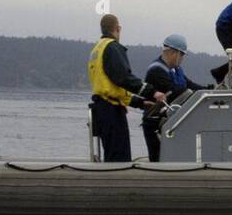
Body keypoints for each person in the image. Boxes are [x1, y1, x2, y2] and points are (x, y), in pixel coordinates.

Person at [87, 14, 167, 162]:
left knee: (111, 155)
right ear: (118, 29)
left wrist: (140, 102)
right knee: (120, 157)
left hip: (102, 107)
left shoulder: (97, 50)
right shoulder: (113, 48)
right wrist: (153, 92)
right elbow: (124, 78)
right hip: (112, 111)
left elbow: (112, 87)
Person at [141, 34, 207, 162]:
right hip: (156, 125)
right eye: (181, 55)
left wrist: (209, 89)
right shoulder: (156, 71)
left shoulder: (175, 70)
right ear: (172, 53)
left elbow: (190, 84)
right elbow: (177, 91)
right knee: (159, 160)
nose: (182, 58)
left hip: (172, 123)